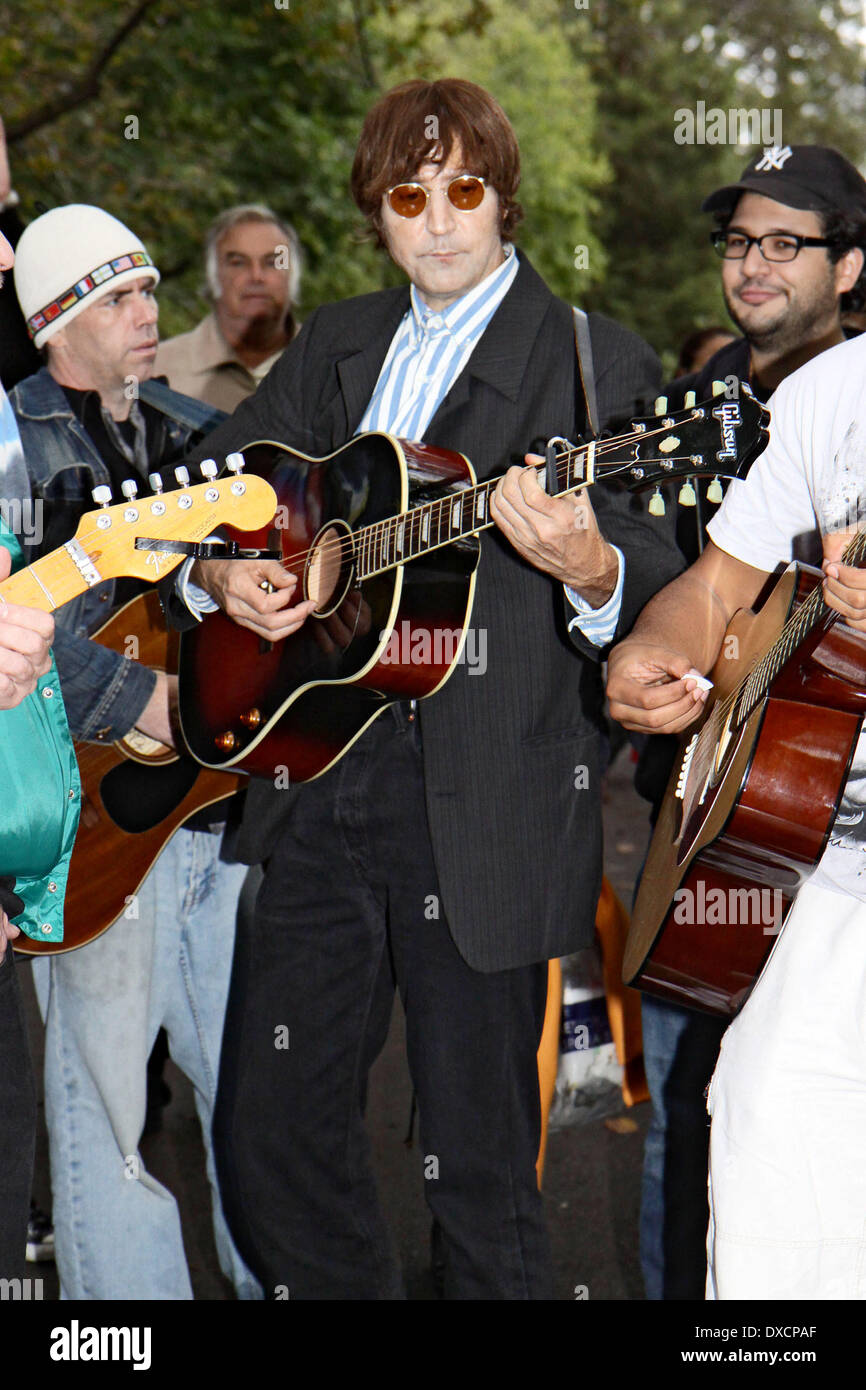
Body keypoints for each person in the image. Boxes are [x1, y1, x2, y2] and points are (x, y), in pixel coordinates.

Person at [165, 77, 684, 1300]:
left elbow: (663, 587)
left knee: (481, 1177)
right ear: (376, 211)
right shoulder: (334, 344)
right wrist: (219, 569)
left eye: (465, 192)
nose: (440, 221)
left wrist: (589, 566)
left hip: (489, 801)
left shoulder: (591, 359)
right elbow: (205, 488)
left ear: (505, 198)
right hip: (315, 775)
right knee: (267, 1140)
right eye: (410, 195)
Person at [4, 203, 259, 1300]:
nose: (150, 313)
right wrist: (138, 696)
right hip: (95, 830)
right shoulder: (10, 438)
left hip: (215, 814)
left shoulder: (193, 427)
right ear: (58, 318)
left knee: (259, 1102)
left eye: (151, 290)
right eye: (119, 298)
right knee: (104, 1112)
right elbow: (19, 622)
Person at [635, 142, 866, 1302]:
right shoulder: (829, 396)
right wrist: (650, 648)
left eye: (788, 241)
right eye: (740, 241)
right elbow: (717, 586)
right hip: (830, 863)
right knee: (761, 1114)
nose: (753, 265)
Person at [155, 204, 301, 412]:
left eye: (272, 262)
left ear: (292, 275)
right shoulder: (157, 371)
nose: (256, 276)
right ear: (213, 275)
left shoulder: (331, 365)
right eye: (238, 263)